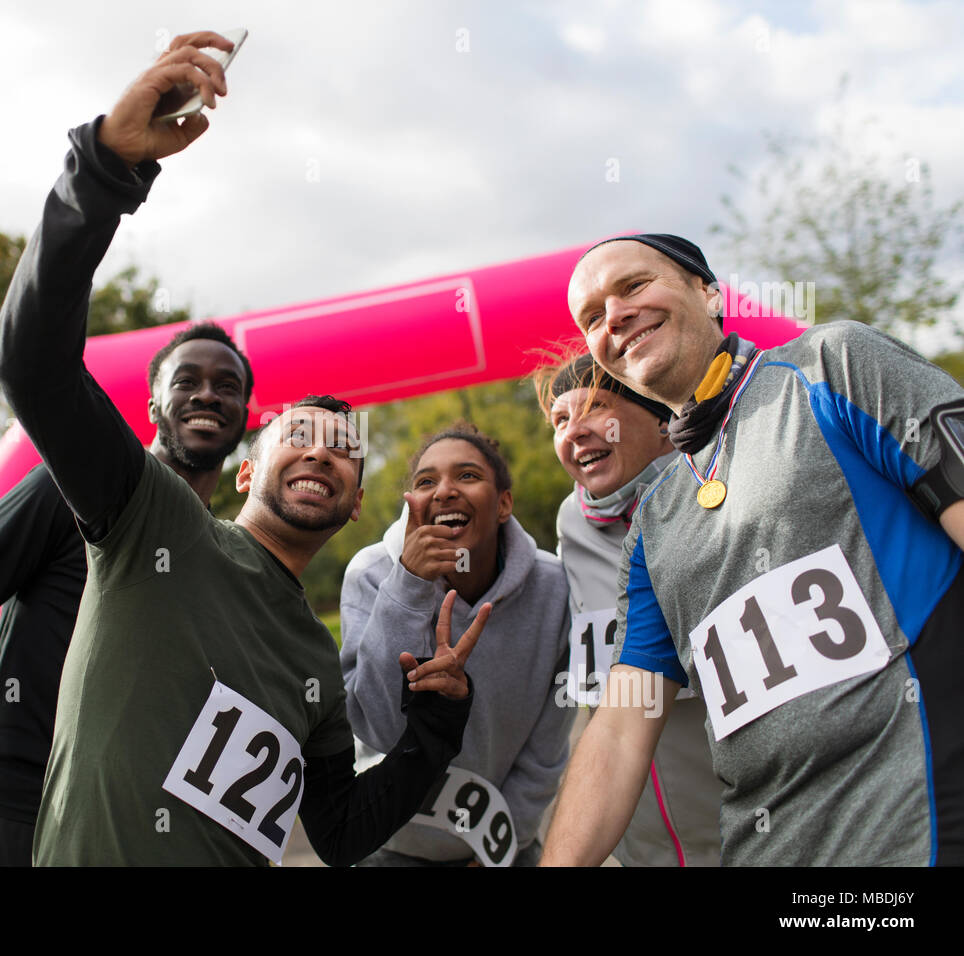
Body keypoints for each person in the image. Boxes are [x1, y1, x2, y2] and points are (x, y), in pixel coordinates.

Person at [0, 30, 487, 866]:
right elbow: (31, 360)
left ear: (358, 502)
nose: (323, 455)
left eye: (344, 451)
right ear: (250, 467)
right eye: (300, 436)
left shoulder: (311, 664)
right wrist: (106, 165)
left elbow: (339, 835)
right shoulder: (150, 519)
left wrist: (433, 728)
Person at [542, 233, 964, 866]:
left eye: (632, 287)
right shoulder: (652, 528)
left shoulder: (834, 363)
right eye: (593, 317)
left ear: (708, 292)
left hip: (917, 829)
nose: (615, 317)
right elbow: (621, 730)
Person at [0, 321, 253, 867]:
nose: (207, 394)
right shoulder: (71, 489)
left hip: (139, 827)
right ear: (152, 405)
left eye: (227, 385)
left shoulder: (222, 553)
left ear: (245, 413)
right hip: (24, 815)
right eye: (187, 381)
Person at [340, 423, 572, 866]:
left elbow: (546, 749)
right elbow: (376, 730)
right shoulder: (370, 574)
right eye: (426, 481)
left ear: (504, 503)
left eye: (467, 476)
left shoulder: (553, 587)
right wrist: (407, 588)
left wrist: (498, 848)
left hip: (504, 849)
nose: (445, 491)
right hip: (388, 846)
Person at [539, 354, 720, 866]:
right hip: (642, 849)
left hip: (759, 837)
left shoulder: (723, 490)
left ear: (663, 421)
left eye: (597, 408)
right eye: (559, 420)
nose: (574, 431)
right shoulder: (571, 522)